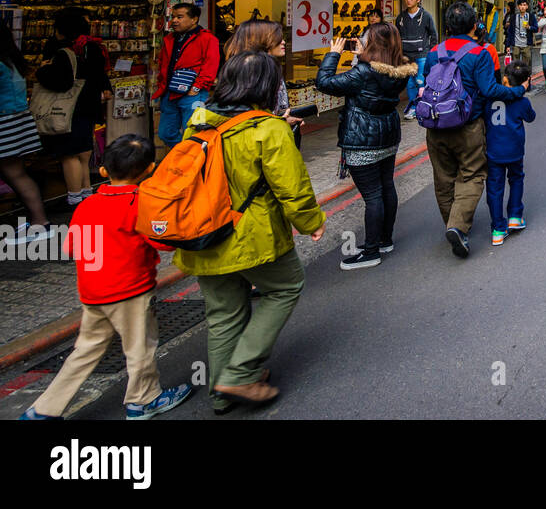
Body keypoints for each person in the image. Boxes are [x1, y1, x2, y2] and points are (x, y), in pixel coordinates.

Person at [173, 51, 326, 411]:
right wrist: (311, 222)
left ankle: (219, 394)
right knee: (286, 287)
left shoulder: (198, 120)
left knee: (224, 312)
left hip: (202, 233)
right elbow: (292, 188)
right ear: (267, 86)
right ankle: (240, 373)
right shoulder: (268, 128)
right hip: (251, 234)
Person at [20, 135, 192, 421]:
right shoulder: (139, 203)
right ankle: (144, 400)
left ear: (103, 171)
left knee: (84, 351)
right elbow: (163, 242)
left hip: (92, 293)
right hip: (130, 291)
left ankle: (42, 410)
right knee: (140, 347)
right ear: (150, 169)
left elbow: (73, 246)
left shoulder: (86, 205)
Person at [423, 2, 528, 259]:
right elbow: (490, 90)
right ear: (473, 26)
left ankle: (453, 224)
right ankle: (457, 227)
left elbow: (428, 85)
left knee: (443, 177)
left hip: (435, 125)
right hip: (468, 125)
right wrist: (518, 91)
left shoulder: (434, 52)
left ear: (447, 26)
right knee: (471, 175)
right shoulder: (479, 53)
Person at [315, 24, 415, 270]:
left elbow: (324, 82)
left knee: (373, 195)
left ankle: (371, 251)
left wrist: (334, 54)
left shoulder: (364, 72)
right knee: (386, 186)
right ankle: (384, 240)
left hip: (362, 139)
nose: (359, 42)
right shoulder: (397, 71)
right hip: (388, 135)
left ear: (374, 46)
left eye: (363, 39)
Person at [36, 10, 112, 205]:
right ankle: (86, 191)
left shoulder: (62, 52)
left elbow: (61, 83)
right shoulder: (93, 47)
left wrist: (42, 70)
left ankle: (74, 197)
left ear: (61, 30)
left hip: (69, 109)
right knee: (83, 151)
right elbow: (100, 73)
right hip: (89, 104)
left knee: (69, 154)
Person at [0, 21, 49, 239]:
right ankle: (40, 222)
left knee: (15, 174)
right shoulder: (11, 62)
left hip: (4, 124)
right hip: (16, 123)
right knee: (16, 173)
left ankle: (40, 223)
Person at [151, 3, 220, 151]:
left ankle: (192, 162)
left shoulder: (208, 39)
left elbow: (211, 66)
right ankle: (185, 153)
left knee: (196, 132)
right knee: (165, 133)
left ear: (194, 19)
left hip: (195, 94)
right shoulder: (169, 39)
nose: (174, 20)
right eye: (173, 17)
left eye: (180, 17)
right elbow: (163, 64)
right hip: (170, 93)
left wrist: (196, 87)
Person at [485, 62, 536, 246]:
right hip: (514, 150)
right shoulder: (522, 102)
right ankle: (515, 215)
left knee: (494, 187)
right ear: (525, 82)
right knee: (516, 179)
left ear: (504, 79)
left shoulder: (490, 99)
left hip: (493, 151)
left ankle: (498, 228)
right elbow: (531, 117)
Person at [224, 19, 298, 124]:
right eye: (277, 38)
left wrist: (283, 119)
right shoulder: (253, 70)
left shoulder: (264, 66)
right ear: (262, 40)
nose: (283, 42)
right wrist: (278, 121)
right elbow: (252, 114)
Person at [397, 0, 438, 120]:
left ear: (418, 0)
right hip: (406, 55)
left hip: (422, 55)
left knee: (421, 81)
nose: (408, 0)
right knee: (409, 82)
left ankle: (423, 107)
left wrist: (431, 51)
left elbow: (433, 35)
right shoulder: (401, 17)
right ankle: (413, 108)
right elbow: (397, 36)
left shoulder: (425, 16)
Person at [503, 0, 538, 74]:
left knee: (526, 66)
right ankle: (517, 82)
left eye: (524, 5)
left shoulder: (531, 17)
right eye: (521, 5)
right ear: (518, 6)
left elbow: (536, 29)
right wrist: (508, 46)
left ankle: (526, 83)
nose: (522, 7)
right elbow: (510, 32)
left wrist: (529, 27)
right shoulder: (514, 17)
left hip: (527, 45)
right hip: (516, 45)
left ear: (527, 7)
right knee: (516, 66)